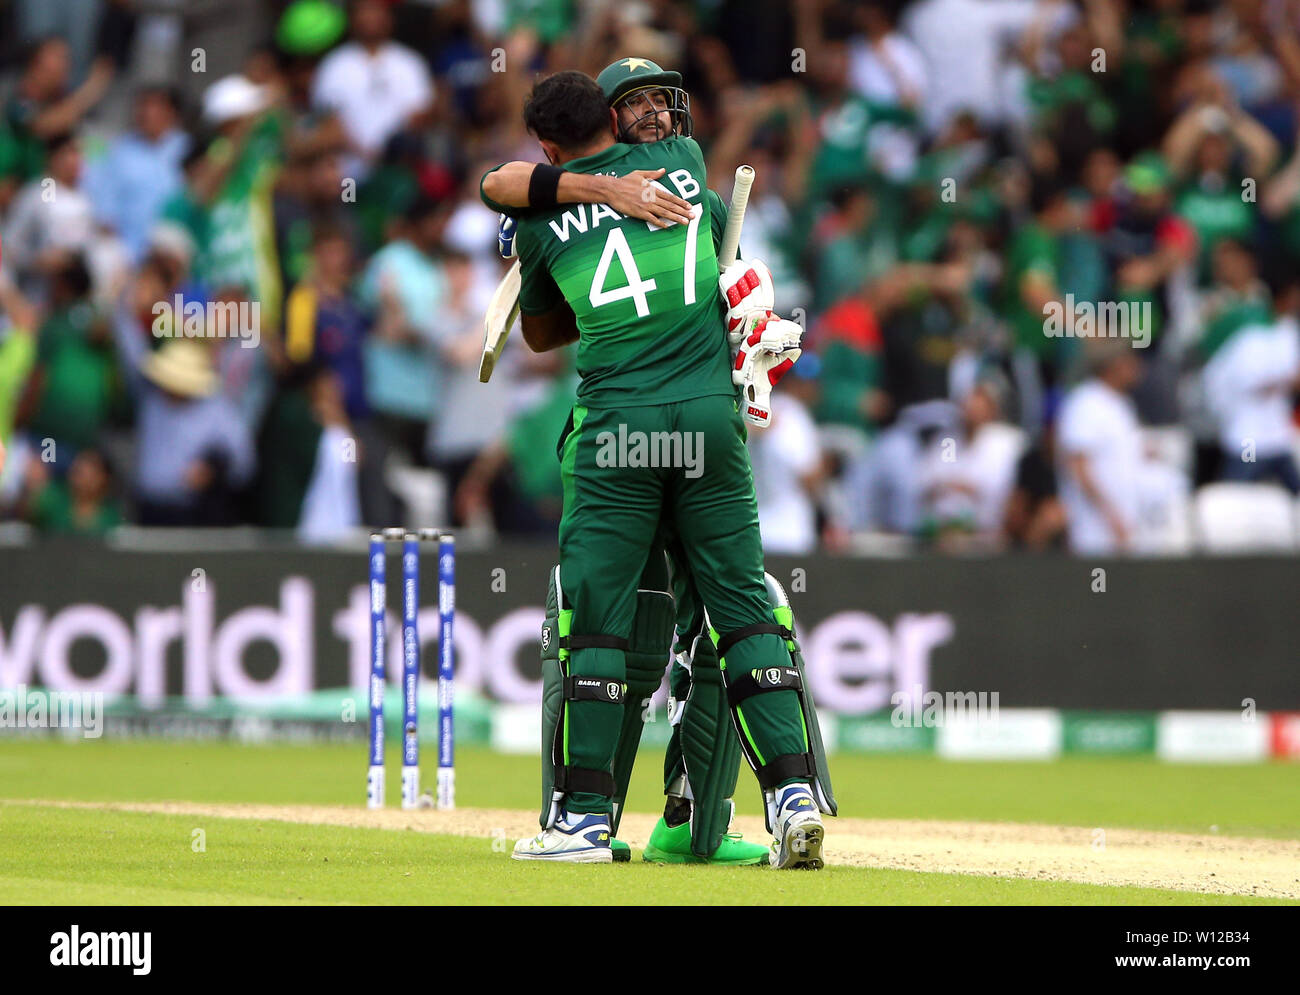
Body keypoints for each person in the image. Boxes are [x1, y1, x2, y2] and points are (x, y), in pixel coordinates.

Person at [485, 70, 833, 868]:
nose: (654, 113)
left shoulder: (535, 221)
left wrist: (566, 211)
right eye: (635, 104)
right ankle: (791, 796)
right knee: (743, 606)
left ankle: (582, 822)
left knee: (599, 620)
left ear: (546, 145)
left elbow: (538, 330)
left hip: (618, 433)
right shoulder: (682, 160)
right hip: (707, 424)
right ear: (614, 119)